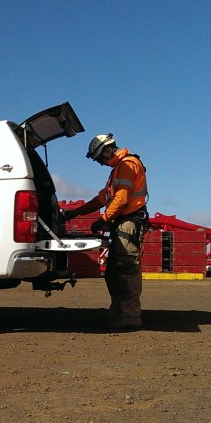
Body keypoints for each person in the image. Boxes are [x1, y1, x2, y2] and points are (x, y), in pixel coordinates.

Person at [61, 133, 149, 330]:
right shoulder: (118, 169)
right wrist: (75, 213)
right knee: (113, 273)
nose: (100, 163)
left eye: (100, 158)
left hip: (128, 224)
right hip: (121, 224)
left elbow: (121, 199)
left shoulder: (127, 165)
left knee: (126, 271)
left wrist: (103, 219)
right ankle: (118, 314)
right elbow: (103, 198)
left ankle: (130, 317)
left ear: (107, 150)